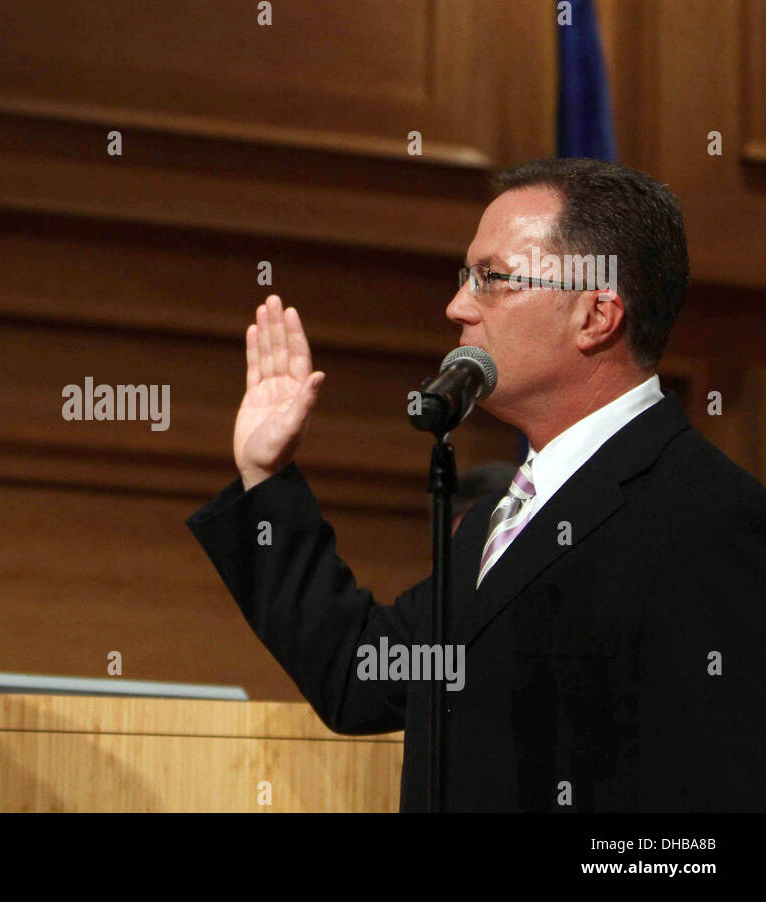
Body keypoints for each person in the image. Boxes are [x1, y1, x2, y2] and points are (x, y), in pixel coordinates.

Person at [187, 158, 766, 811]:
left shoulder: (710, 519)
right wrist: (266, 478)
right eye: (467, 278)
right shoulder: (504, 515)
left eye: (490, 279)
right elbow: (360, 674)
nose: (457, 306)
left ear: (596, 315)